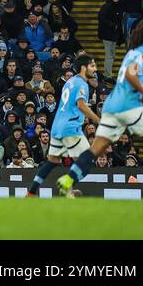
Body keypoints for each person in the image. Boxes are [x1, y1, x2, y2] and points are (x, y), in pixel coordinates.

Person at [57, 20, 143, 198]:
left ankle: (68, 179)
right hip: (128, 105)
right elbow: (131, 76)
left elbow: (127, 79)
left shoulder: (132, 53)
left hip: (112, 105)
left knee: (97, 148)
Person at [27, 53, 99, 196]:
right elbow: (81, 105)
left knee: (52, 161)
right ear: (83, 68)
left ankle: (31, 193)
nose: (95, 69)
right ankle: (67, 186)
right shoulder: (82, 84)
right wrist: (98, 120)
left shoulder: (70, 81)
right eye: (92, 66)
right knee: (87, 162)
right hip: (71, 127)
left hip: (57, 126)